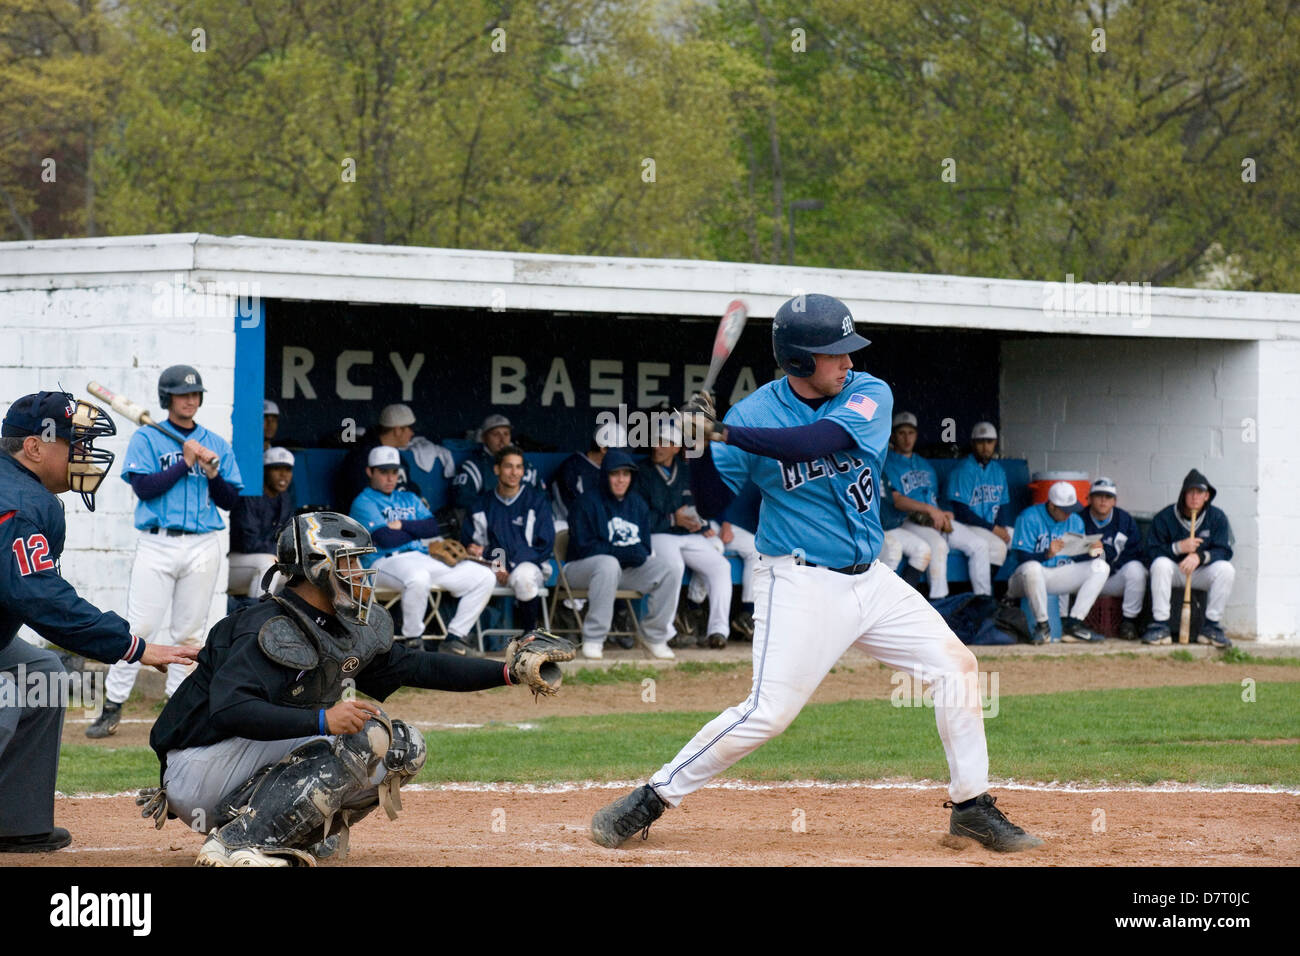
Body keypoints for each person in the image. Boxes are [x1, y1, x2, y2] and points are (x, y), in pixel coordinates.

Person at [590, 294, 1041, 853]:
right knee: (768, 714)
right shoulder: (753, 414)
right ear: (800, 361)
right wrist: (697, 446)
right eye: (835, 355)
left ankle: (971, 806)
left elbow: (818, 440)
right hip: (798, 581)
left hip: (870, 579)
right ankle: (652, 797)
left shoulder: (867, 392)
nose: (848, 362)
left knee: (957, 666)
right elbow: (709, 501)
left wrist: (723, 432)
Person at [142, 511, 568, 866]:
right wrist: (323, 719)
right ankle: (240, 841)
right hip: (198, 765)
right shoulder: (265, 626)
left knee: (404, 746)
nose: (361, 573)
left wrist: (506, 673)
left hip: (236, 763)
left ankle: (299, 829)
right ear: (317, 567)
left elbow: (417, 666)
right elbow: (230, 711)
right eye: (350, 563)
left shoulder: (342, 624)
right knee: (365, 737)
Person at [1, 391, 197, 852]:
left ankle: (14, 822)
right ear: (34, 447)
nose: (84, 456)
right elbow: (42, 600)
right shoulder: (19, 502)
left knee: (39, 673)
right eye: (75, 444)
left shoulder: (23, 491)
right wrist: (134, 647)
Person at [88, 365, 244, 738]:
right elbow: (145, 488)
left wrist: (210, 472)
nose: (190, 400)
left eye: (195, 394)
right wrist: (185, 462)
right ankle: (112, 705)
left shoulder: (215, 442)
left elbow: (229, 500)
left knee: (189, 632)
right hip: (157, 541)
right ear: (167, 398)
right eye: (182, 394)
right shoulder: (146, 437)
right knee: (140, 627)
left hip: (203, 543)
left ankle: (178, 705)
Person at [349, 446, 493, 657]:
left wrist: (403, 524)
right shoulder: (363, 501)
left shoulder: (408, 498)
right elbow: (386, 539)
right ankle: (413, 641)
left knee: (483, 576)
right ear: (370, 472)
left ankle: (454, 638)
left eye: (394, 471)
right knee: (418, 578)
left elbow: (432, 527)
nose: (390, 477)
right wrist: (414, 529)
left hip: (421, 557)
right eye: (383, 471)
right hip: (383, 563)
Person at [565, 449, 680, 661]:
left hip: (623, 572)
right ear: (605, 475)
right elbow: (582, 547)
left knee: (669, 568)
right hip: (580, 570)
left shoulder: (637, 504)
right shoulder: (586, 502)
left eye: (625, 474)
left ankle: (654, 637)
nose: (620, 480)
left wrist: (630, 554)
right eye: (615, 474)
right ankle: (594, 637)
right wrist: (624, 553)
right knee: (608, 564)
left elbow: (644, 549)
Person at [637, 421, 734, 649]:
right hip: (659, 533)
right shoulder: (641, 473)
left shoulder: (687, 471)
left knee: (721, 566)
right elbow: (638, 516)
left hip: (687, 535)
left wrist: (699, 524)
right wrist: (672, 519)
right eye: (656, 442)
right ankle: (666, 631)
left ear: (676, 447)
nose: (658, 447)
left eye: (664, 443)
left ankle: (719, 630)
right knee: (674, 566)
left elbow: (697, 505)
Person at [886, 411, 994, 598]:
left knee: (980, 545)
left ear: (916, 435)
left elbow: (939, 498)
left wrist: (946, 513)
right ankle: (939, 602)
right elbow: (896, 501)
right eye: (901, 433)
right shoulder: (887, 464)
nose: (906, 438)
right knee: (938, 545)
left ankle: (982, 601)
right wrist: (930, 511)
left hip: (936, 518)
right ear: (893, 436)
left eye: (910, 433)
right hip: (908, 521)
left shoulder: (925, 465)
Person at [461, 445, 555, 633]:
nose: (514, 473)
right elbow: (471, 547)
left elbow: (544, 546)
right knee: (467, 576)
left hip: (529, 564)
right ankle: (460, 637)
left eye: (519, 467)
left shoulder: (537, 502)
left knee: (523, 577)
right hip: (491, 566)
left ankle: (530, 637)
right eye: (508, 467)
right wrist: (495, 563)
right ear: (497, 469)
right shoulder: (481, 505)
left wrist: (506, 563)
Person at [1005, 481, 1108, 644]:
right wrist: (1047, 554)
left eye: (1071, 509)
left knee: (1101, 567)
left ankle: (1074, 624)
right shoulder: (1028, 517)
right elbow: (1021, 559)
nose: (1069, 514)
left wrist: (1093, 552)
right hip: (1021, 581)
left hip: (1054, 577)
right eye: (1065, 510)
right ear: (1052, 506)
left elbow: (1075, 557)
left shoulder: (1075, 521)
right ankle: (1042, 625)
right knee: (1033, 568)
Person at [1141, 469, 1235, 647]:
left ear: (1207, 496)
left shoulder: (1216, 517)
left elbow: (1224, 550)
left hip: (1200, 573)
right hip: (1174, 571)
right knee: (1160, 564)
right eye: (1190, 492)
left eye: (1199, 492)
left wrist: (1201, 557)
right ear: (1183, 494)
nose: (1194, 497)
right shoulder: (1166, 516)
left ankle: (1211, 627)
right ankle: (1160, 626)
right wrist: (1178, 548)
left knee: (1226, 569)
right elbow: (1150, 552)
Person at [942, 422, 1012, 594]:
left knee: (1023, 540)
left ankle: (1008, 595)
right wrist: (995, 529)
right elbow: (962, 512)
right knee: (997, 546)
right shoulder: (963, 470)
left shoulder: (998, 471)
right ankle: (982, 596)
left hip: (989, 526)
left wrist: (1002, 527)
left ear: (995, 443)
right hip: (969, 526)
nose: (985, 447)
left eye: (989, 442)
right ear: (973, 444)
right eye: (980, 442)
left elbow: (1002, 505)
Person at [1080, 477, 1146, 640]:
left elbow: (1135, 550)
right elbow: (1070, 553)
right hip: (1083, 578)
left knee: (1136, 570)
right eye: (1098, 496)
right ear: (1089, 498)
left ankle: (1129, 622)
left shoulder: (1124, 520)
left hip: (1112, 577)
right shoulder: (1078, 519)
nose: (1103, 500)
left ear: (1114, 501)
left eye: (1108, 497)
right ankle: (1071, 621)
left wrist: (1114, 566)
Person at [227, 447, 295, 601]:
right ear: (264, 471)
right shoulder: (249, 496)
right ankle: (256, 615)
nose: (283, 474)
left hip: (264, 559)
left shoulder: (284, 499)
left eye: (288, 469)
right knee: (269, 563)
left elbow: (288, 538)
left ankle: (281, 617)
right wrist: (281, 553)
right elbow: (247, 542)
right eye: (277, 469)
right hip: (234, 562)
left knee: (298, 570)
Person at [334, 403, 423, 512]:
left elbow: (407, 487)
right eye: (410, 428)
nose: (412, 433)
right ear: (398, 430)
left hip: (399, 519)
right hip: (370, 521)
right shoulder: (361, 457)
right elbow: (358, 498)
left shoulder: (398, 456)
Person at [453, 413, 543, 513]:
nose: (502, 440)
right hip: (490, 521)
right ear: (484, 438)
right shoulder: (474, 466)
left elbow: (542, 497)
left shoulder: (525, 465)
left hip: (526, 520)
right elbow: (462, 500)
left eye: (506, 434)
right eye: (496, 434)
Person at [551, 421, 624, 525]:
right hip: (569, 527)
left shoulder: (617, 469)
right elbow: (569, 509)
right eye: (619, 450)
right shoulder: (571, 468)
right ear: (603, 448)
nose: (621, 455)